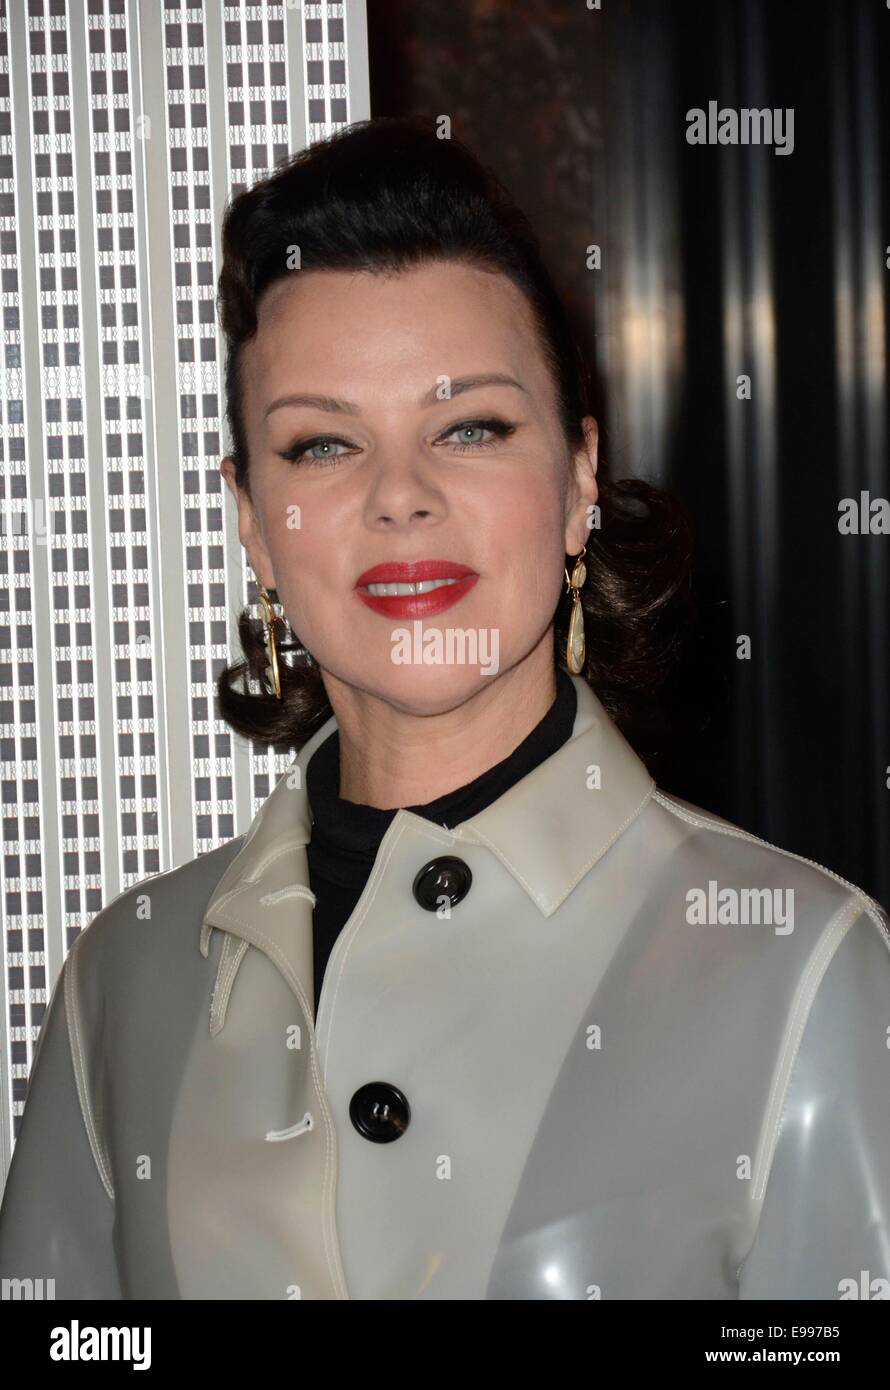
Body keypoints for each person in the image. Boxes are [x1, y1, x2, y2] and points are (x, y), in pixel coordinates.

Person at [1, 115, 888, 1301]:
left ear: (577, 478)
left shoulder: (800, 966)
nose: (400, 497)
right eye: (321, 445)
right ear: (255, 520)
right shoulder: (123, 978)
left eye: (468, 427)